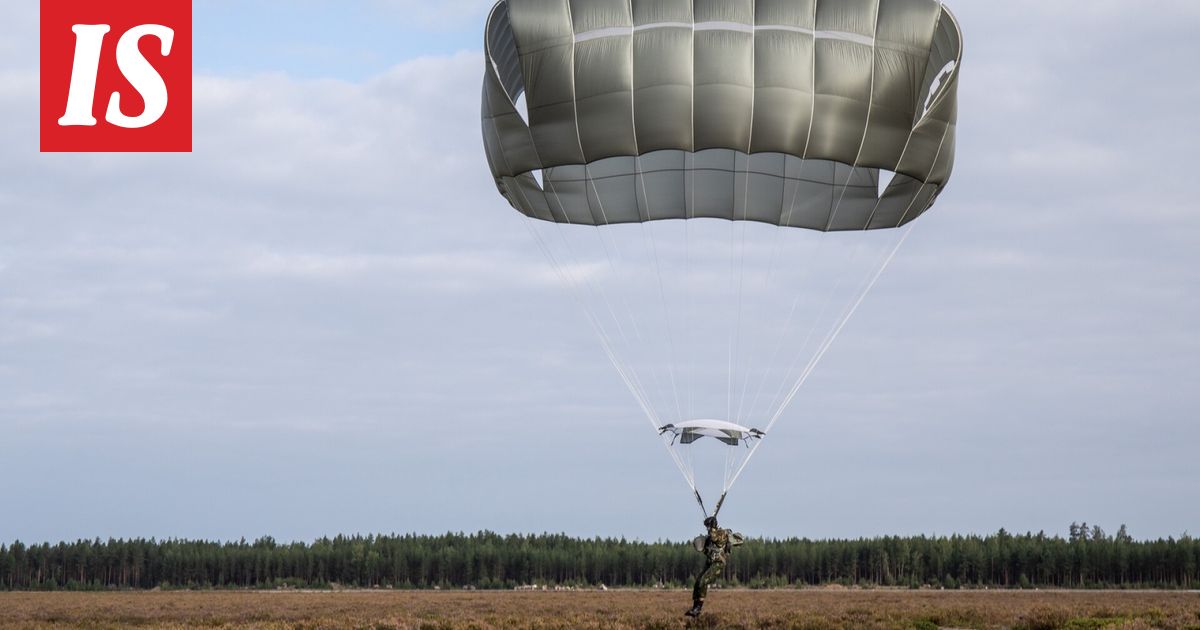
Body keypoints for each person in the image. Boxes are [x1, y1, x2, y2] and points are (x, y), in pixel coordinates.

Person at [686, 516, 744, 617]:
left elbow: (715, 537)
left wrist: (712, 526)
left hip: (718, 563)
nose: (708, 529)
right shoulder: (709, 540)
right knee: (698, 583)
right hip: (710, 562)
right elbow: (707, 545)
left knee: (703, 581)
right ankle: (695, 607)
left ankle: (698, 609)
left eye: (709, 527)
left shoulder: (721, 534)